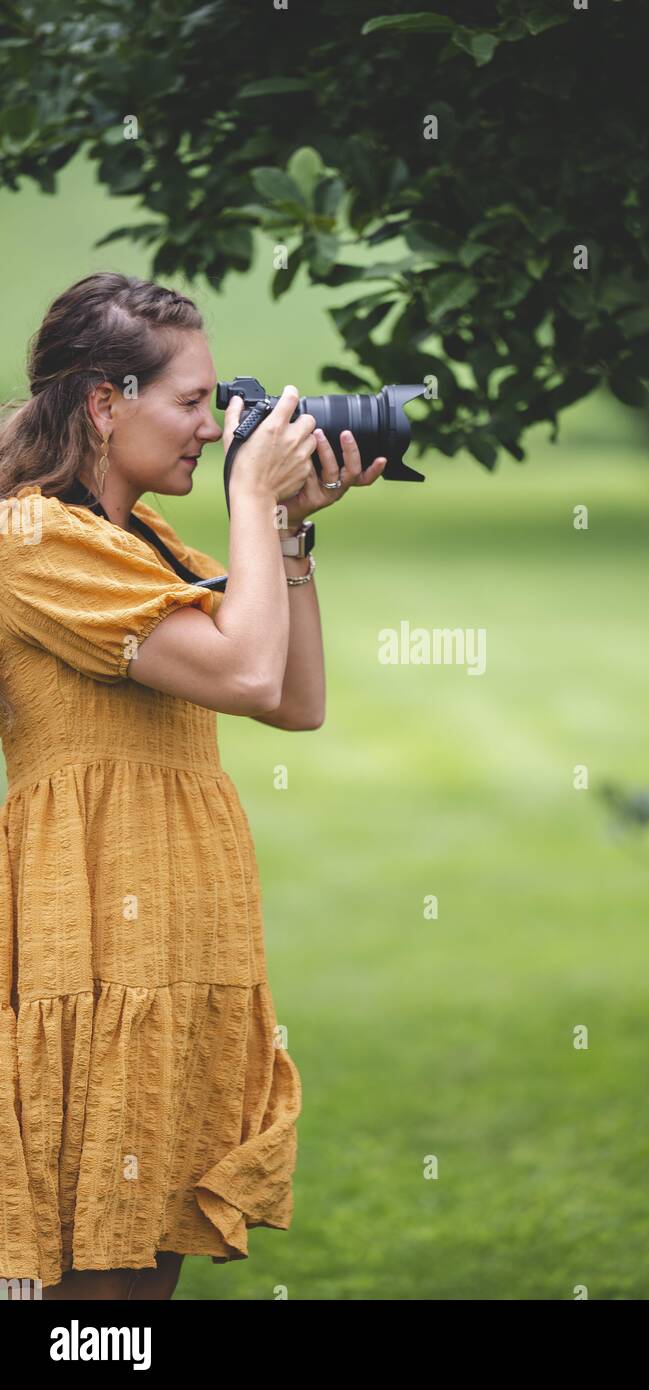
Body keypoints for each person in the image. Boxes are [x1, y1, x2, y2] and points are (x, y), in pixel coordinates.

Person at [0, 272, 387, 1300]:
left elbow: (294, 697)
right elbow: (246, 671)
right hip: (90, 935)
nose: (216, 430)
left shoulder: (151, 545)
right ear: (102, 402)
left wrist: (292, 531)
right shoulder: (38, 545)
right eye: (191, 402)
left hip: (178, 933)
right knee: (92, 1269)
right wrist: (256, 500)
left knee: (149, 1254)